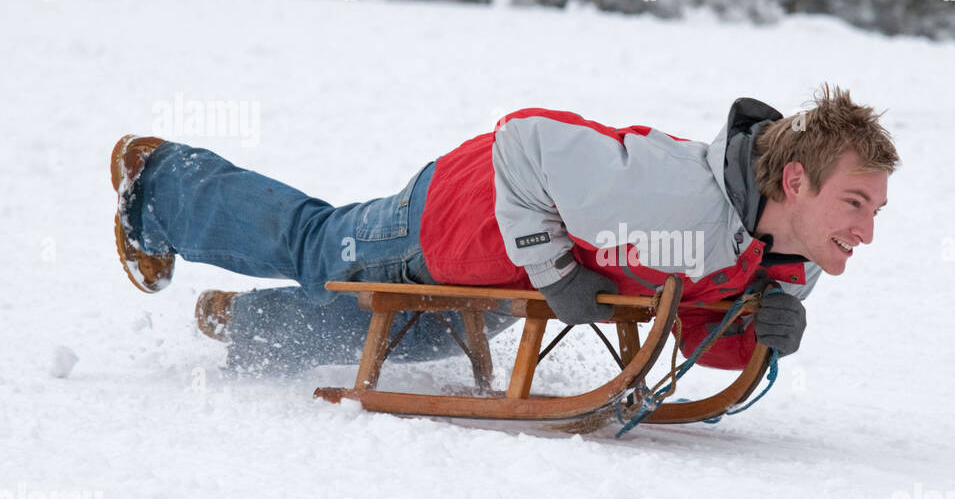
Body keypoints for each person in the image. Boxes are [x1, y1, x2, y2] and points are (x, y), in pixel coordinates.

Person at [110, 83, 899, 375]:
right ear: (795, 181)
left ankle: (242, 324)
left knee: (420, 336)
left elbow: (696, 327)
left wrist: (760, 334)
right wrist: (556, 273)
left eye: (875, 211)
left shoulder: (785, 257)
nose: (864, 231)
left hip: (504, 272)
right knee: (322, 250)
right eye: (855, 204)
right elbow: (524, 140)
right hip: (460, 214)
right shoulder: (669, 191)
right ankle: (159, 182)